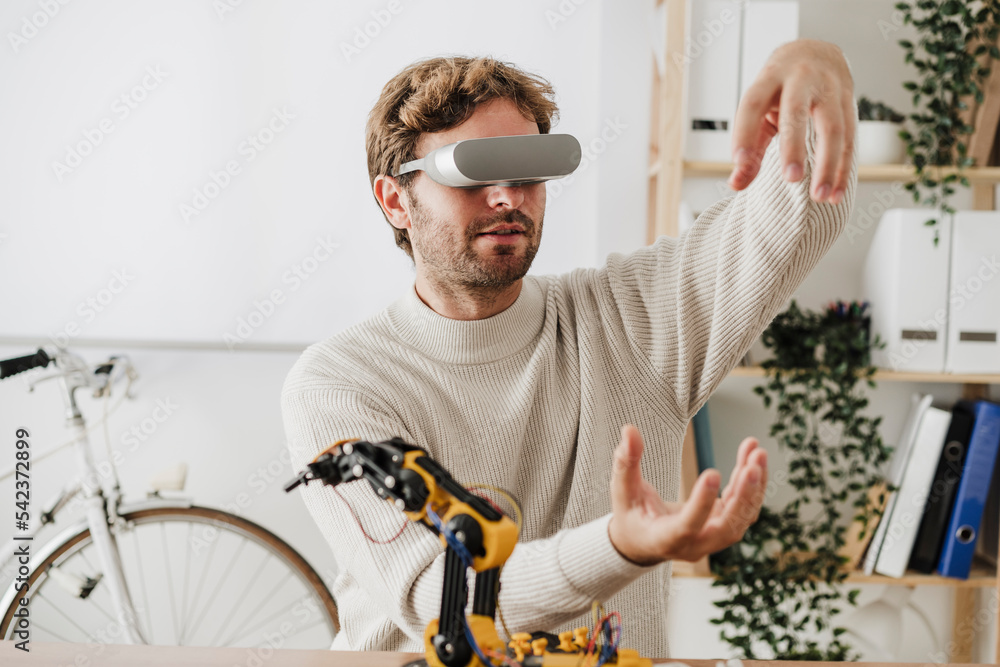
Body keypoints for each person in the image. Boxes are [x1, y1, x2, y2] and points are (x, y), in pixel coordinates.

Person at [282, 39, 857, 658]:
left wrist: (821, 64)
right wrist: (621, 545)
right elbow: (438, 597)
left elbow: (798, 216)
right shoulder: (339, 383)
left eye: (528, 173)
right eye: (473, 175)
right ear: (396, 201)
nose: (508, 198)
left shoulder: (630, 323)